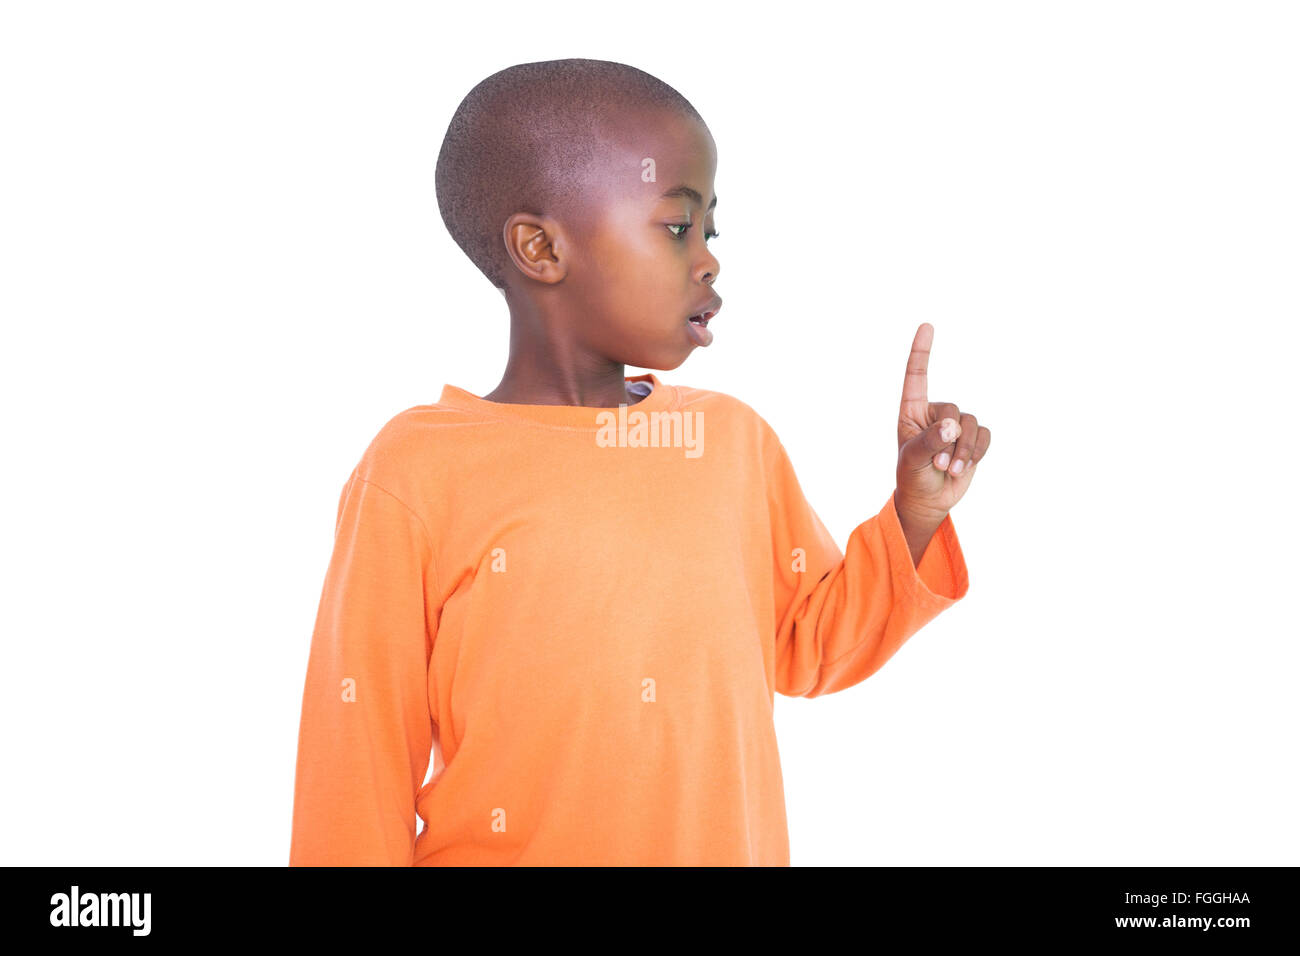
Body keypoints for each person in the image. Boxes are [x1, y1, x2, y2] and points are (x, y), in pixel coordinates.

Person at [288, 58, 991, 866]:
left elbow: (811, 641)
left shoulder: (729, 442)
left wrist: (916, 515)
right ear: (540, 248)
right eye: (676, 225)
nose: (709, 259)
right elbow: (357, 759)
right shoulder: (415, 472)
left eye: (710, 230)